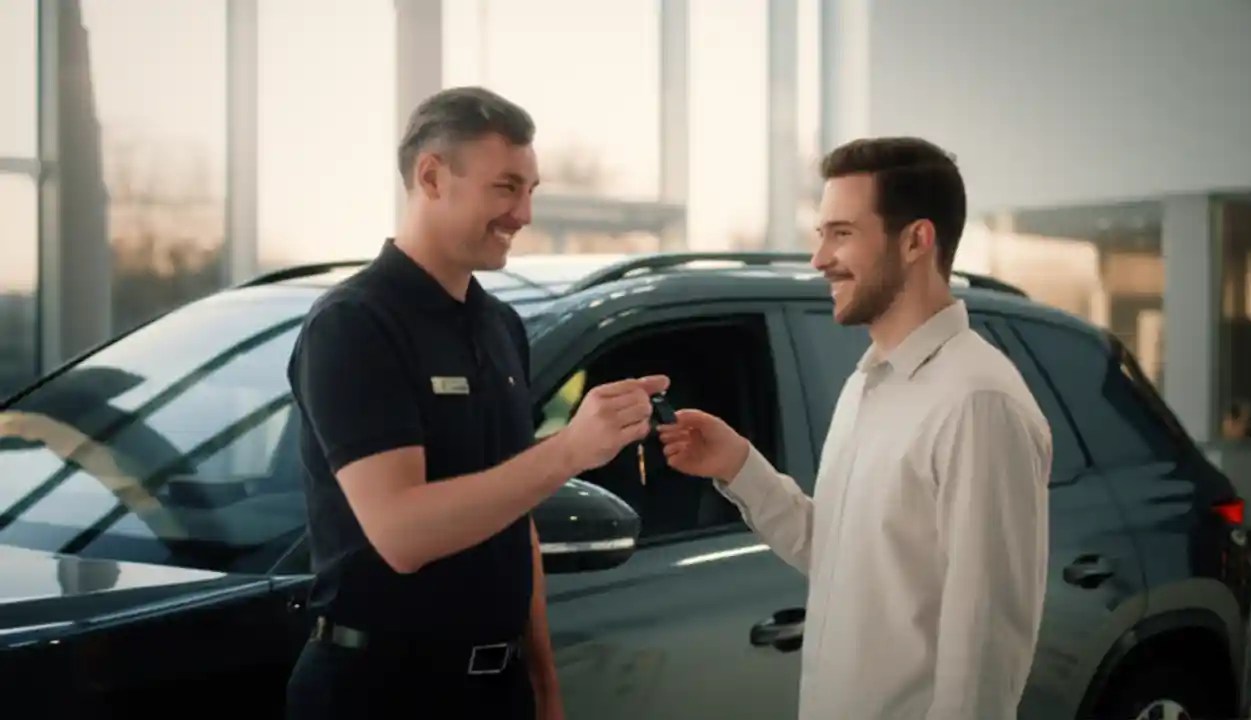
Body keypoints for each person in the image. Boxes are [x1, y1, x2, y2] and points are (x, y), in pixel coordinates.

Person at [284, 86, 668, 719]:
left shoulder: (500, 325)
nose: (523, 213)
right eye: (505, 187)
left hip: (495, 690)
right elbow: (402, 533)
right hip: (379, 694)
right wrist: (571, 449)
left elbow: (513, 513)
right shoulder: (355, 325)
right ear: (432, 177)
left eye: (531, 190)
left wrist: (544, 683)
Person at [658, 137, 1052, 720]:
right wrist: (740, 467)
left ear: (916, 240)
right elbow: (840, 555)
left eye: (841, 233)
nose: (819, 258)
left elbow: (983, 653)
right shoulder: (868, 383)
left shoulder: (977, 402)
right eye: (821, 234)